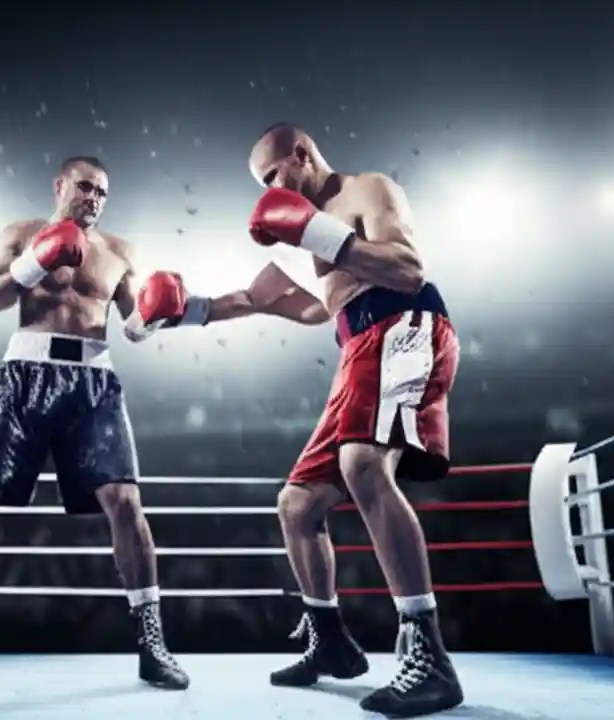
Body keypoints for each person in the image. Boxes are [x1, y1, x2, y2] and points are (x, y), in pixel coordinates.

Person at [0, 155, 324, 697]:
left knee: (126, 503)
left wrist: (157, 312)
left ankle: (152, 645)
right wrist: (35, 261)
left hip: (94, 381)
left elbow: (134, 325)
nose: (94, 199)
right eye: (85, 187)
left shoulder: (119, 252)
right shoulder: (20, 233)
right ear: (59, 185)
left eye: (102, 192)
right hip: (24, 374)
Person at [239, 122, 464, 717]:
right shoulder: (313, 233)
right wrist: (196, 312)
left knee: (364, 463)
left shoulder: (368, 190)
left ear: (301, 154)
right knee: (297, 504)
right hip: (356, 348)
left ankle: (428, 655)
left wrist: (316, 230)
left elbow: (408, 269)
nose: (269, 190)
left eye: (271, 176)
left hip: (406, 325)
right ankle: (329, 640)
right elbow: (321, 305)